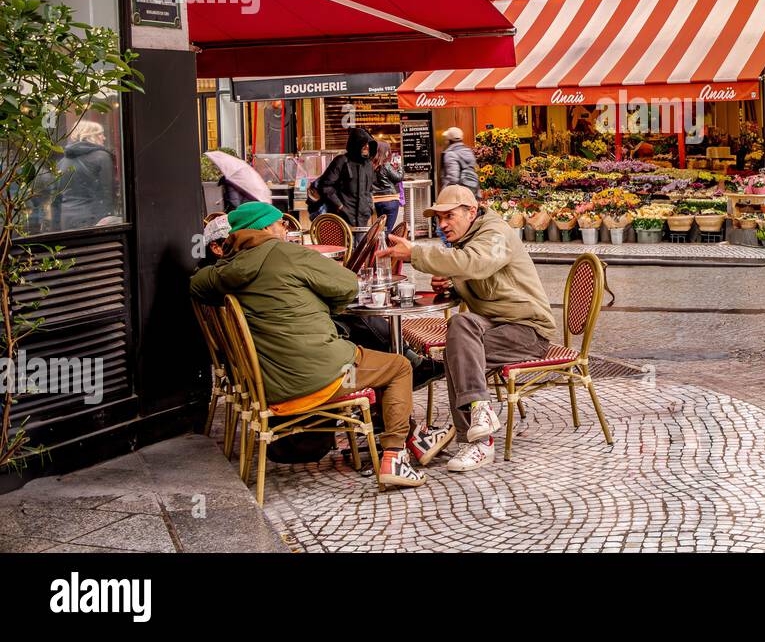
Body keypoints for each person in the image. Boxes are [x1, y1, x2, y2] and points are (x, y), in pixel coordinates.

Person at [190, 202, 444, 487]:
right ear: (264, 229)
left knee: (372, 362)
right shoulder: (288, 254)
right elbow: (348, 285)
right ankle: (395, 458)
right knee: (398, 366)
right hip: (315, 377)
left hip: (268, 385)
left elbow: (196, 283)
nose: (285, 228)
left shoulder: (225, 271)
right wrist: (324, 304)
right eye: (280, 224)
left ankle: (415, 437)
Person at [378, 185, 557, 472]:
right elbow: (481, 280)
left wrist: (418, 254)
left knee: (457, 349)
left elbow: (476, 264)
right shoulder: (467, 239)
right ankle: (480, 414)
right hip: (494, 326)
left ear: (471, 211)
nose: (442, 224)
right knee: (460, 326)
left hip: (527, 330)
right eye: (438, 219)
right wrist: (453, 283)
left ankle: (478, 442)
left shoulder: (495, 233)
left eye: (449, 216)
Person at [317, 127, 377, 240]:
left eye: (368, 144)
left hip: (363, 217)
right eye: (363, 144)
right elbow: (325, 185)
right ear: (356, 145)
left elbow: (369, 189)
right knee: (346, 250)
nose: (367, 147)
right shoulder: (341, 161)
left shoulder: (368, 164)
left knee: (360, 251)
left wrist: (369, 206)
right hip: (344, 216)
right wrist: (340, 206)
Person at [58, 121, 116, 229]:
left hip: (66, 220)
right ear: (90, 135)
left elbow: (57, 196)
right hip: (94, 219)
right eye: (100, 134)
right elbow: (107, 191)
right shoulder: (102, 157)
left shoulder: (63, 161)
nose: (104, 138)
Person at [371, 141, 404, 234]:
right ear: (385, 151)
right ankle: (383, 247)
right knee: (387, 231)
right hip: (390, 201)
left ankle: (379, 246)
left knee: (380, 230)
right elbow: (398, 178)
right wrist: (400, 167)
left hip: (376, 202)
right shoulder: (386, 165)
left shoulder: (371, 165)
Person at [439, 127, 479, 195]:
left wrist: (444, 193)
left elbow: (453, 178)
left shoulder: (450, 154)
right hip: (472, 191)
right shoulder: (468, 151)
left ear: (449, 140)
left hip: (458, 195)